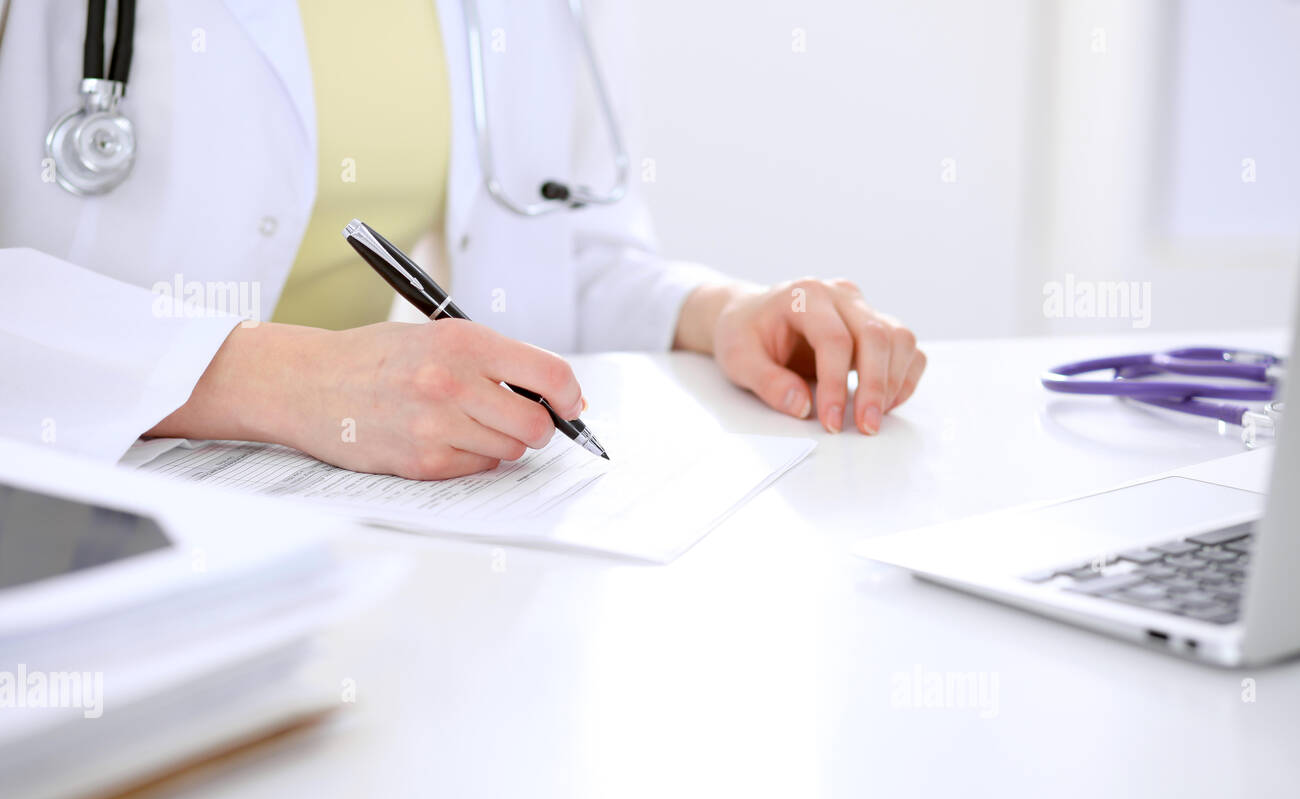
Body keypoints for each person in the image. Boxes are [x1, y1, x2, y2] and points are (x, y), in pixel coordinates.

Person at [0, 0, 925, 479]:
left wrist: (718, 311)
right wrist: (276, 383)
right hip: (73, 514)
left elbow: (568, 241)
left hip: (360, 511)